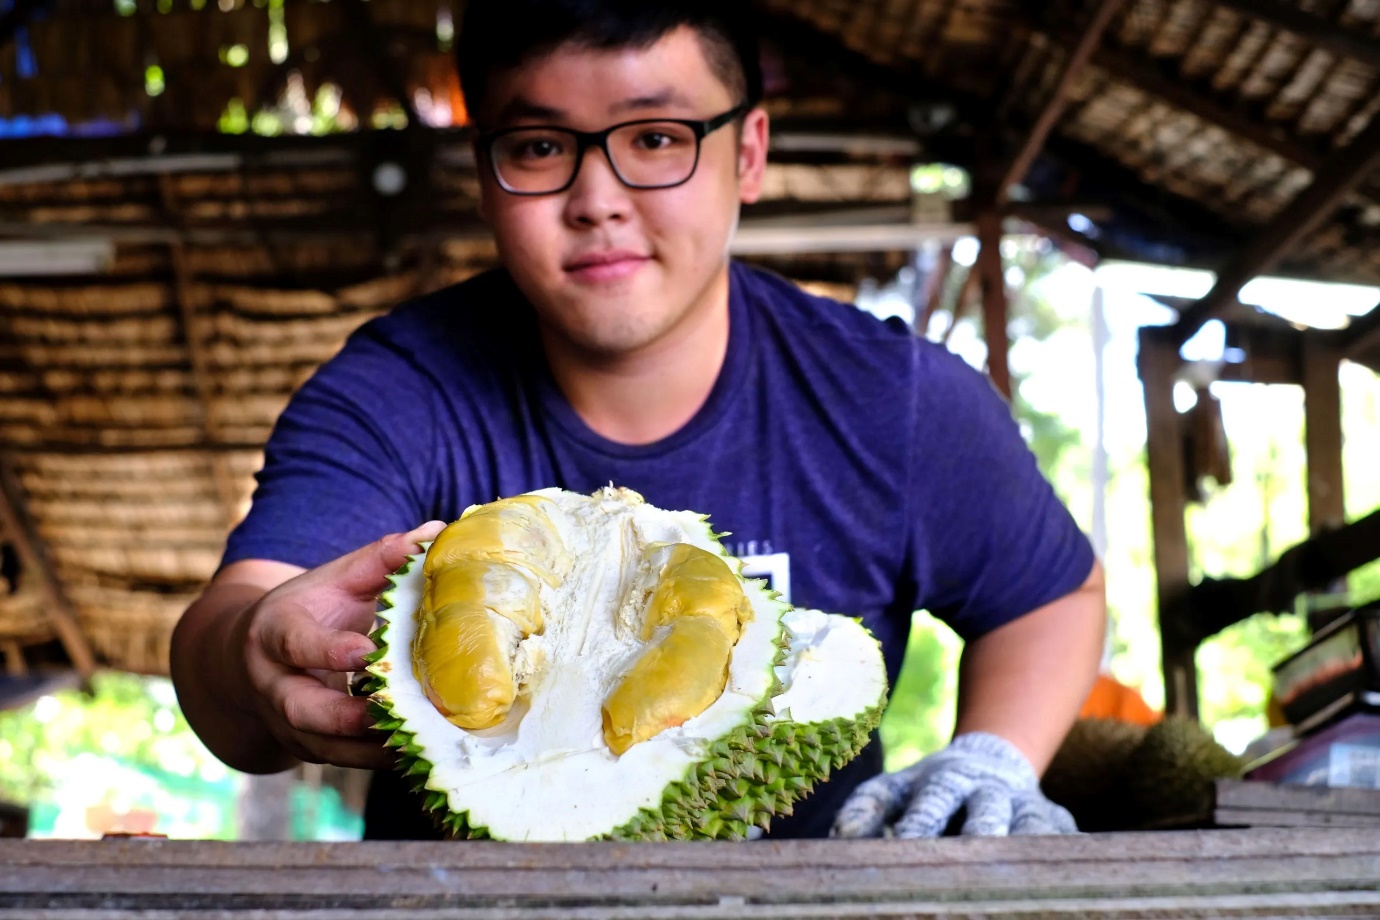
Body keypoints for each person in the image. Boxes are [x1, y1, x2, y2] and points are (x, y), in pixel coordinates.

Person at [170, 0, 1106, 841]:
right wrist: (252, 651)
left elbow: (1051, 599)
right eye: (539, 146)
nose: (598, 201)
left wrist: (994, 755)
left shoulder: (892, 400)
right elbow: (234, 623)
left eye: (656, 138)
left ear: (748, 152)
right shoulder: (393, 392)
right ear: (485, 173)